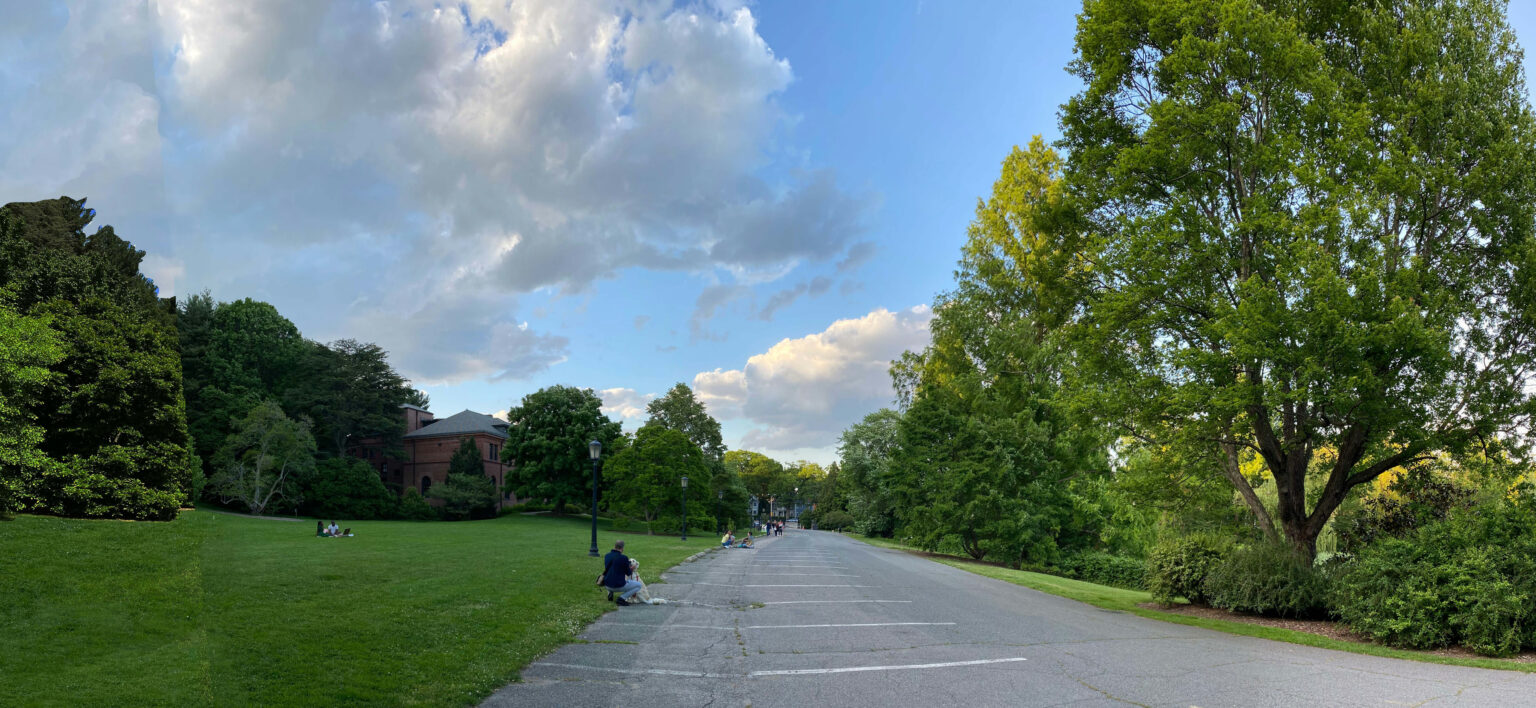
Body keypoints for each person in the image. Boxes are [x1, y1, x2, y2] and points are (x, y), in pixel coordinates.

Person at [601, 540, 644, 606]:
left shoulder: (607, 555)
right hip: (618, 585)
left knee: (612, 575)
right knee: (638, 585)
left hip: (607, 585)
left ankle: (610, 593)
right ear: (622, 548)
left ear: (614, 546)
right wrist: (632, 568)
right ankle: (621, 598)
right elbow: (628, 573)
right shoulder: (624, 558)